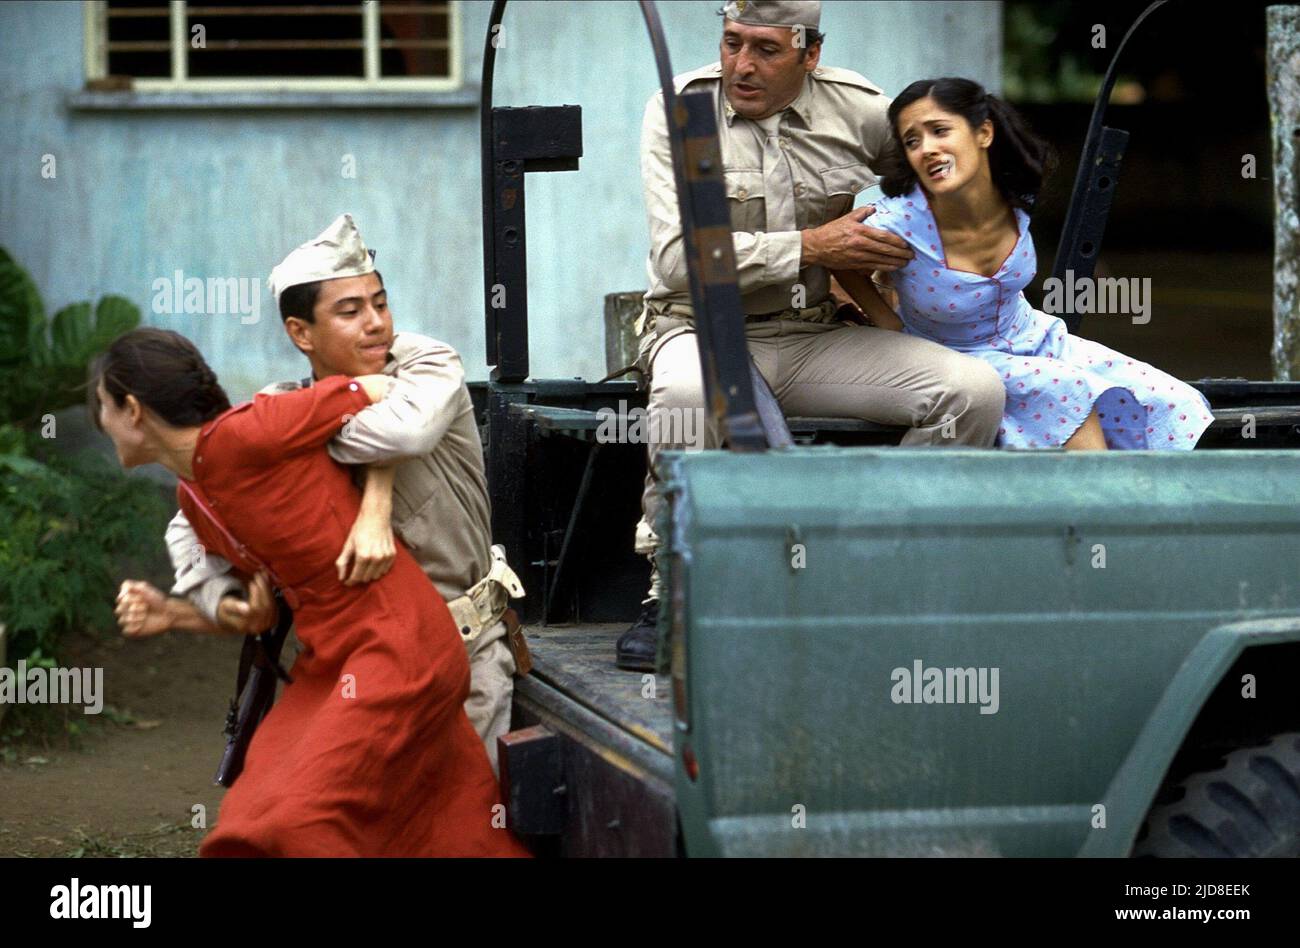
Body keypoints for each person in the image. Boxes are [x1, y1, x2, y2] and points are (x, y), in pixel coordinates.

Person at [618, 0, 1007, 670]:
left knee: (974, 391)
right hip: (700, 329)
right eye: (732, 42)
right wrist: (812, 246)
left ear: (810, 53)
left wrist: (897, 278)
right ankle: (669, 595)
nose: (741, 64)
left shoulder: (859, 111)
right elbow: (678, 259)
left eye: (765, 50)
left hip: (812, 333)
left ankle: (873, 575)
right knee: (684, 395)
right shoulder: (681, 110)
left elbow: (937, 185)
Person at [97, 327, 528, 857]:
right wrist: (179, 613)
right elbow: (260, 605)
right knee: (437, 825)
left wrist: (376, 506)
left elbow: (374, 389)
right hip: (334, 659)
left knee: (300, 821)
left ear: (133, 409)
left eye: (102, 405)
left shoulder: (254, 429)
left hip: (396, 647)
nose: (100, 421)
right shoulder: (196, 496)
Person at [116, 214, 524, 773]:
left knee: (464, 829)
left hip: (465, 654)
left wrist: (302, 437)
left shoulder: (427, 363)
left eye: (380, 303)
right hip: (355, 674)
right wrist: (220, 599)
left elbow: (404, 431)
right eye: (350, 311)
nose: (377, 323)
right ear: (300, 333)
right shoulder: (280, 409)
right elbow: (192, 522)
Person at [834, 77, 1214, 449]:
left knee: (1172, 400)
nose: (927, 149)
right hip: (959, 359)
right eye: (912, 141)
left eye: (939, 130)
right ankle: (1095, 509)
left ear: (983, 133)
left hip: (1036, 337)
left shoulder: (1014, 194)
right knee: (1071, 394)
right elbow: (838, 258)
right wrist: (887, 322)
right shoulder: (899, 222)